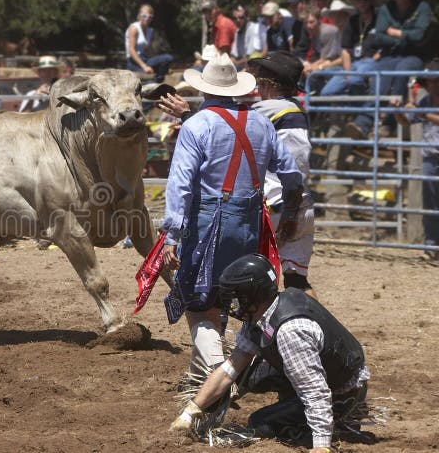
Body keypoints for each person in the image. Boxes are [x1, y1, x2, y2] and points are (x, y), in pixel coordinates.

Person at [156, 53, 303, 378]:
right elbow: (292, 177)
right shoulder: (261, 123)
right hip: (249, 223)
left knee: (198, 304)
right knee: (226, 297)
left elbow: (180, 184)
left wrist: (171, 235)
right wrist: (290, 216)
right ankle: (203, 376)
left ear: (204, 89)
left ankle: (216, 377)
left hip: (208, 221)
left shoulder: (195, 125)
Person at [170, 254, 370, 453]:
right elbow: (230, 368)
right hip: (326, 371)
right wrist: (191, 411)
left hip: (341, 391)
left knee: (260, 422)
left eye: (235, 296)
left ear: (251, 296)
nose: (232, 303)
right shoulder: (262, 313)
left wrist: (322, 446)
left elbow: (315, 391)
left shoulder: (290, 332)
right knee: (251, 376)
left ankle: (335, 421)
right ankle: (293, 402)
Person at [248, 52, 316, 293]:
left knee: (252, 282)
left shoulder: (269, 111)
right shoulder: (295, 111)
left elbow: (223, 125)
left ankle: (254, 330)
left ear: (268, 83)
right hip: (300, 205)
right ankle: (315, 329)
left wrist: (288, 213)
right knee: (297, 283)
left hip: (277, 208)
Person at [348, 0, 431, 138]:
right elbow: (379, 37)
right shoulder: (386, 8)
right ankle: (363, 124)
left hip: (414, 56)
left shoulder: (422, 7)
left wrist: (395, 33)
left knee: (401, 73)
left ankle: (389, 123)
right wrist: (405, 36)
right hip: (390, 55)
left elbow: (420, 35)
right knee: (379, 77)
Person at [393, 58, 439, 260]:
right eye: (431, 81)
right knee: (430, 204)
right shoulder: (426, 101)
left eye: (436, 80)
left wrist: (421, 112)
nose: (433, 84)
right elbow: (407, 121)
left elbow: (423, 116)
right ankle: (431, 244)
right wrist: (398, 110)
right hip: (430, 157)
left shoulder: (424, 105)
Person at [319, 0, 381, 97]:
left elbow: (387, 42)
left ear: (371, 1)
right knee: (326, 93)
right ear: (355, 2)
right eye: (359, 0)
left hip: (370, 62)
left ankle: (363, 108)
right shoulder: (352, 21)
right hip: (353, 64)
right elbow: (345, 50)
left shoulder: (380, 19)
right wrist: (348, 74)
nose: (362, 3)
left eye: (365, 0)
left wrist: (378, 55)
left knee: (354, 81)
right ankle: (353, 109)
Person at [125, 4, 174, 83]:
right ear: (139, 16)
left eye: (150, 17)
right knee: (148, 82)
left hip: (145, 59)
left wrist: (164, 66)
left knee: (168, 58)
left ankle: (158, 79)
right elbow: (131, 50)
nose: (147, 18)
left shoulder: (150, 31)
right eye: (144, 16)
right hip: (133, 61)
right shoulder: (134, 28)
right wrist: (144, 66)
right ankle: (154, 81)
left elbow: (150, 51)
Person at [294, 7, 343, 83]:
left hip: (337, 65)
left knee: (311, 75)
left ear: (319, 20)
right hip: (327, 63)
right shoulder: (314, 33)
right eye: (306, 22)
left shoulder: (327, 32)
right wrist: (307, 66)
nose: (308, 26)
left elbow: (328, 58)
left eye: (311, 22)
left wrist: (311, 67)